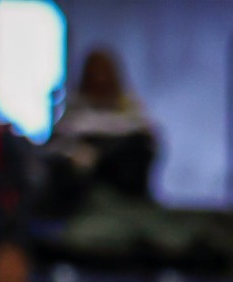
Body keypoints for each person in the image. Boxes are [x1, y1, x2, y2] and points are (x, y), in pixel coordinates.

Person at [51, 48, 159, 200]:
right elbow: (59, 142)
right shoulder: (74, 108)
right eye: (94, 73)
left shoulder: (130, 108)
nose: (100, 78)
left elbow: (148, 138)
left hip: (125, 183)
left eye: (103, 72)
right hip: (84, 191)